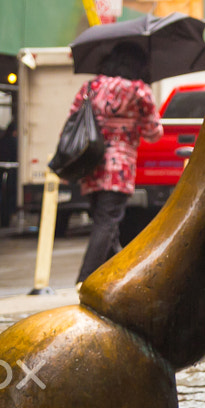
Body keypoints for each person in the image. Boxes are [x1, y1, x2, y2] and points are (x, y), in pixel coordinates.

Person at [67, 74, 161, 283]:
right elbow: (153, 133)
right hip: (119, 168)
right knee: (106, 222)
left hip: (91, 165)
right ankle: (85, 279)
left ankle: (121, 276)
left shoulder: (91, 87)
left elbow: (73, 117)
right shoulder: (138, 90)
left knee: (107, 224)